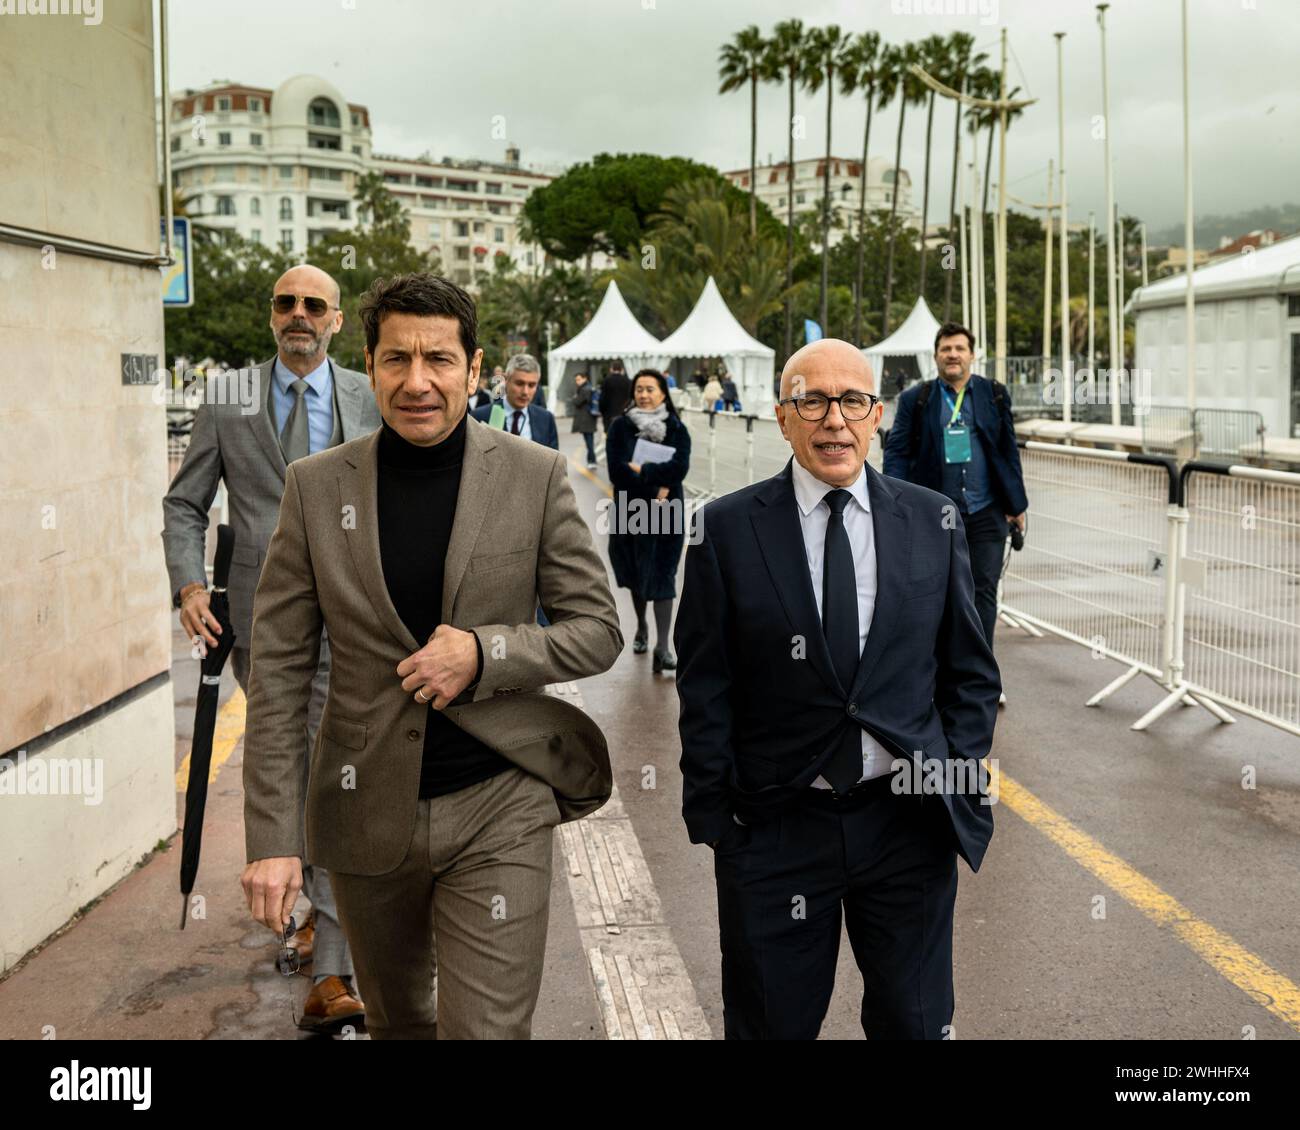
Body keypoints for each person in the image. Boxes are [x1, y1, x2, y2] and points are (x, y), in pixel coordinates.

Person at [239, 273, 622, 1040]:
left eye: (440, 360)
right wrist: (274, 839)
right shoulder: (314, 489)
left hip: (499, 804)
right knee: (400, 1025)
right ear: (370, 365)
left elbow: (597, 628)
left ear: (474, 371)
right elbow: (278, 672)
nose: (417, 382)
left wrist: (487, 651)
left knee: (484, 1031)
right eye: (396, 360)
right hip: (362, 811)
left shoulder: (533, 474)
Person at [674, 338, 1000, 1040]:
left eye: (851, 401)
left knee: (915, 1024)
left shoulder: (932, 521)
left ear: (877, 414)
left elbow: (970, 673)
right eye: (812, 401)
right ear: (783, 416)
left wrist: (957, 776)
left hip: (905, 825)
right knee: (771, 1025)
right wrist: (719, 818)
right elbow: (705, 683)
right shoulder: (724, 530)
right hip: (775, 826)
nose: (833, 420)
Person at [162, 263, 375, 1034]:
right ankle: (326, 930)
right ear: (270, 314)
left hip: (357, 621)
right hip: (260, 620)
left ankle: (333, 960)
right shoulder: (227, 398)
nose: (299, 314)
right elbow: (184, 501)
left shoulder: (368, 393)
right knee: (302, 759)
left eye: (314, 304)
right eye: (286, 302)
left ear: (336, 320)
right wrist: (189, 586)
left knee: (332, 764)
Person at [883, 322, 1027, 652]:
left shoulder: (994, 394)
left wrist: (1016, 505)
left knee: (984, 592)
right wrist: (895, 504)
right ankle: (937, 672)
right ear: (936, 356)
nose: (953, 354)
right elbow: (898, 452)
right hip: (933, 514)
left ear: (971, 355)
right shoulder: (915, 399)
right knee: (934, 590)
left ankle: (980, 677)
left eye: (959, 348)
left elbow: (1008, 451)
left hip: (985, 511)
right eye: (946, 349)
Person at [605, 369, 691, 674]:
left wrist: (641, 470)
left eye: (650, 389)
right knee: (636, 575)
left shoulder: (676, 427)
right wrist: (656, 481)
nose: (643, 394)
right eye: (639, 389)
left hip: (668, 513)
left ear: (663, 393)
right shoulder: (619, 427)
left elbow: (680, 467)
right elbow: (617, 471)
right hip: (631, 512)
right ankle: (641, 628)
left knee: (664, 575)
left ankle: (663, 647)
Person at [471, 353, 558, 448]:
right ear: (506, 380)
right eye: (519, 383)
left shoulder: (546, 419)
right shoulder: (479, 417)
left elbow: (554, 460)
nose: (525, 392)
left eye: (531, 385)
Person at [569, 371, 598, 469]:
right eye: (576, 380)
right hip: (590, 418)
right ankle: (591, 460)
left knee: (589, 441)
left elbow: (577, 401)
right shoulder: (589, 387)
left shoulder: (584, 390)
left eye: (579, 379)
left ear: (585, 378)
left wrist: (574, 398)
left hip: (586, 419)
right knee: (589, 441)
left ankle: (592, 461)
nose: (577, 382)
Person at [597, 361, 631, 440]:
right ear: (621, 369)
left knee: (612, 437)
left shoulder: (606, 381)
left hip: (610, 414)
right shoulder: (627, 381)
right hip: (624, 413)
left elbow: (602, 399)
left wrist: (602, 411)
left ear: (611, 369)